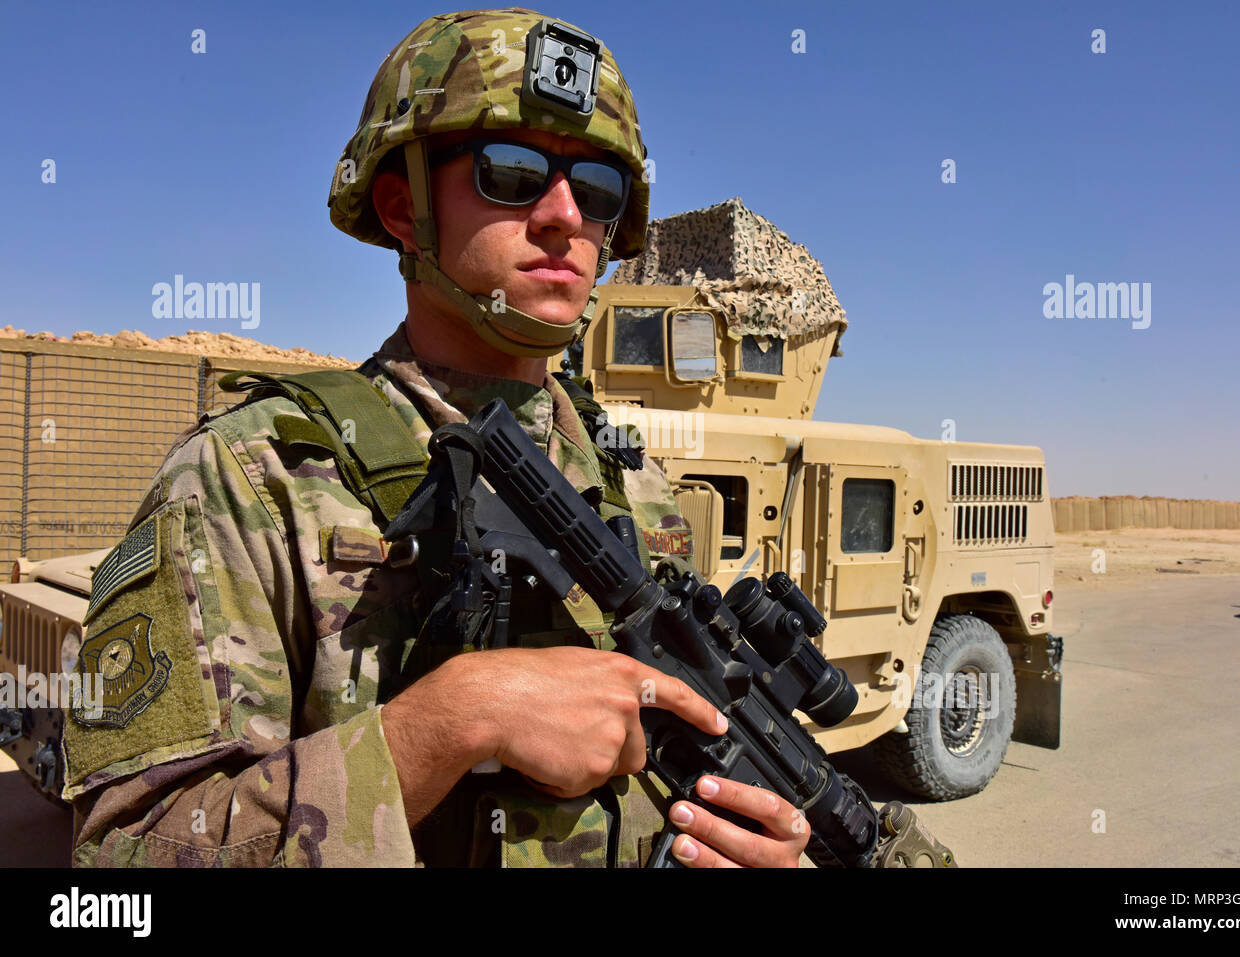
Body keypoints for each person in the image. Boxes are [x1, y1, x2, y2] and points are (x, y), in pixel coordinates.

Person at [60, 8, 813, 867]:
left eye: (598, 188)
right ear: (403, 205)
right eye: (513, 173)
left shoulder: (639, 491)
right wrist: (449, 721)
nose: (564, 215)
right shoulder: (255, 474)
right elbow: (121, 868)